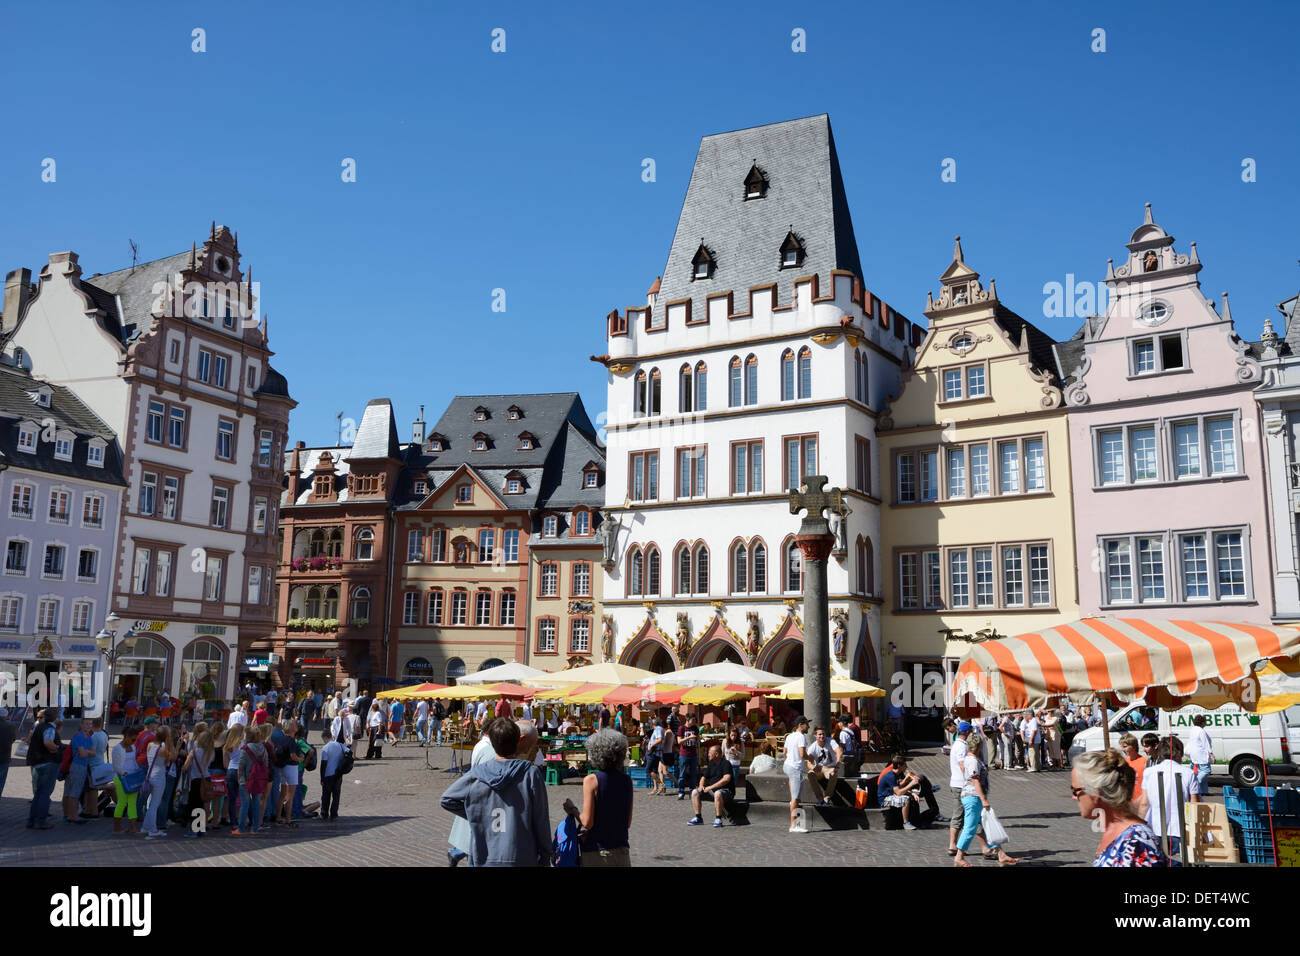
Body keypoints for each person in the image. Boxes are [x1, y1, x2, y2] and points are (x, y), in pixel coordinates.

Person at [440, 718, 553, 867]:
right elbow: (541, 818)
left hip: (484, 854)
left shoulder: (477, 773)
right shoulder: (530, 774)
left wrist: (478, 814)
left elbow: (447, 799)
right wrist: (546, 853)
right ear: (517, 741)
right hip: (520, 854)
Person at [1073, 749, 1165, 867]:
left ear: (1095, 793)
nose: (1074, 797)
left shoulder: (1136, 842)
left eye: (1075, 790)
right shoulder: (1117, 833)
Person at [562, 728, 634, 865]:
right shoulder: (626, 780)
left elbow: (587, 822)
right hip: (621, 850)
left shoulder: (592, 780)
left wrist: (573, 809)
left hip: (597, 851)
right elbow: (627, 822)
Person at [1138, 737, 1195, 861]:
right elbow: (1194, 805)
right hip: (1179, 829)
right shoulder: (1188, 773)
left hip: (1154, 827)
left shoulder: (1149, 772)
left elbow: (1144, 803)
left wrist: (1138, 826)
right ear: (1178, 753)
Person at [27, 708, 62, 829]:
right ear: (55, 718)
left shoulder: (38, 727)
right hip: (48, 762)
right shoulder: (49, 728)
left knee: (38, 793)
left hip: (37, 762)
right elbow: (47, 742)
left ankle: (32, 819)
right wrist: (56, 748)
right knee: (44, 794)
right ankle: (41, 820)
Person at [235, 724, 271, 836]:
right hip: (259, 779)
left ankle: (241, 828)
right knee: (256, 803)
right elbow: (266, 764)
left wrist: (240, 778)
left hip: (246, 779)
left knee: (245, 804)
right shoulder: (263, 748)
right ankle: (254, 828)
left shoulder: (245, 749)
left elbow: (241, 766)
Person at [688, 744, 734, 828]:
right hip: (713, 791)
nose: (707, 754)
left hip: (726, 792)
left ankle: (718, 819)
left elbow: (726, 779)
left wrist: (710, 787)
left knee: (717, 793)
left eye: (709, 752)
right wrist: (701, 786)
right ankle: (698, 818)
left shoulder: (726, 763)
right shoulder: (711, 763)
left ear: (716, 754)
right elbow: (703, 777)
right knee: (695, 792)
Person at [143, 725, 175, 839]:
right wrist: (170, 742)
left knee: (151, 803)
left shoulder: (150, 745)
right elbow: (172, 757)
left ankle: (146, 826)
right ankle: (153, 829)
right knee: (154, 804)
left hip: (149, 775)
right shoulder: (163, 749)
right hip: (159, 777)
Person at [946, 721, 973, 855]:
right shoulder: (961, 746)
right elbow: (963, 765)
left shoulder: (957, 744)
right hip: (961, 784)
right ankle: (953, 845)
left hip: (956, 783)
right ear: (967, 732)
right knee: (959, 815)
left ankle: (954, 845)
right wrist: (971, 779)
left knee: (960, 815)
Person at [181, 727, 213, 838]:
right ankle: (201, 828)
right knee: (203, 805)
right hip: (207, 778)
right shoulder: (210, 751)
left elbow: (186, 765)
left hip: (196, 779)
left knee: (194, 805)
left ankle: (194, 830)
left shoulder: (195, 749)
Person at [62, 717, 95, 825]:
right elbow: (83, 754)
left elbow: (93, 753)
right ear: (81, 725)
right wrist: (88, 751)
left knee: (70, 791)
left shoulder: (88, 736)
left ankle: (67, 815)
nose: (89, 726)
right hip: (77, 765)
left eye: (90, 724)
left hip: (81, 765)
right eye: (86, 724)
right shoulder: (79, 737)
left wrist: (87, 752)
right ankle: (73, 816)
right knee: (74, 792)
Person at [111, 726, 141, 834]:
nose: (134, 742)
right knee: (122, 803)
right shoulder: (117, 748)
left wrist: (138, 771)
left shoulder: (133, 747)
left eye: (135, 740)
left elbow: (135, 761)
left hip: (133, 778)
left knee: (132, 803)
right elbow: (115, 766)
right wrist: (123, 773)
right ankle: (116, 827)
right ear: (126, 737)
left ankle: (133, 827)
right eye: (133, 739)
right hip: (121, 778)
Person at [783, 715, 810, 833]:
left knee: (793, 796)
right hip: (795, 768)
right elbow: (802, 754)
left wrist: (789, 759)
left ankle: (793, 808)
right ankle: (793, 826)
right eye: (807, 724)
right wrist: (811, 759)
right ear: (801, 725)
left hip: (787, 766)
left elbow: (784, 752)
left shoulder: (789, 736)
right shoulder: (801, 737)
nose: (808, 726)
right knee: (795, 798)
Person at [805, 726, 841, 806]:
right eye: (820, 734)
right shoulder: (812, 747)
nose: (822, 736)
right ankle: (820, 799)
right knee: (810, 774)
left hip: (830, 768)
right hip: (819, 769)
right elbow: (809, 763)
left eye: (823, 734)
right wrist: (813, 768)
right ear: (815, 735)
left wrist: (837, 765)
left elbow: (838, 751)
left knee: (833, 774)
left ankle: (826, 798)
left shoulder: (831, 741)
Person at [319, 728, 345, 820]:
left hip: (328, 775)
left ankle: (324, 813)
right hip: (338, 774)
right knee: (336, 795)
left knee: (326, 795)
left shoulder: (325, 748)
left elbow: (323, 764)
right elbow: (349, 753)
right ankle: (334, 814)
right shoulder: (340, 745)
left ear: (325, 737)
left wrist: (321, 778)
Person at [1187, 715, 1213, 798]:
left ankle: (1203, 791)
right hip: (1201, 755)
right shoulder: (1201, 731)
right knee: (1206, 770)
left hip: (1194, 754)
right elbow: (1206, 743)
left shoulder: (1193, 729)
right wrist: (1211, 754)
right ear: (1202, 722)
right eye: (1205, 722)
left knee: (1200, 770)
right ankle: (1194, 784)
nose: (1205, 723)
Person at [676, 716, 699, 800]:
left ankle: (692, 792)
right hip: (684, 754)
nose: (694, 721)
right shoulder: (681, 728)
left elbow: (697, 739)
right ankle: (681, 792)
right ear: (687, 719)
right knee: (682, 774)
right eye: (693, 720)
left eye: (694, 720)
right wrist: (689, 737)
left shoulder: (695, 728)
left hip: (693, 754)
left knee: (693, 774)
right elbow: (679, 741)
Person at [0, 708, 15, 802]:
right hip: (4, 757)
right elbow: (13, 739)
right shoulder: (10, 726)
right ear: (5, 716)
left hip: (4, 756)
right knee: (1, 781)